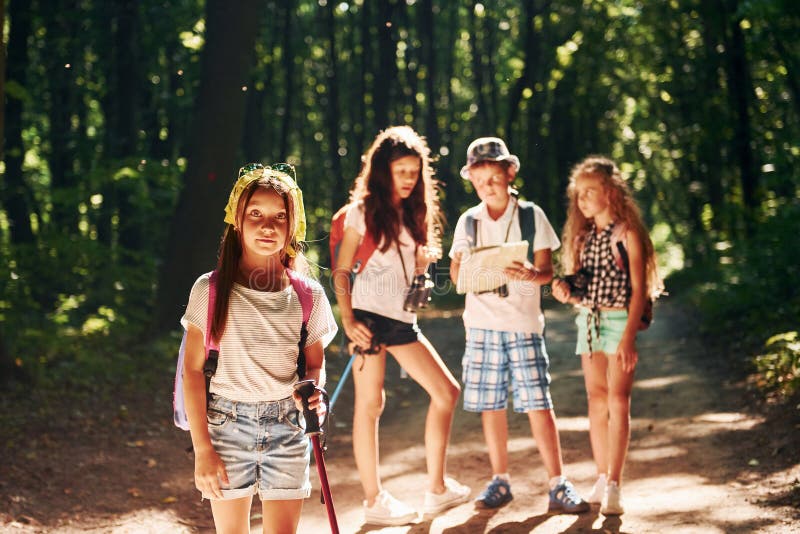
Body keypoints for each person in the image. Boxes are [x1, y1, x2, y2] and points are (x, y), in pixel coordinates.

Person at [181, 163, 338, 533]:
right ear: (237, 220)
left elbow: (314, 365)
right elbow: (191, 371)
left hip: (288, 427)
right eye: (256, 214)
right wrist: (202, 449)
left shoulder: (308, 294)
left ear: (291, 225)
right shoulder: (210, 289)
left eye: (279, 217)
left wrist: (315, 393)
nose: (268, 226)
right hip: (226, 427)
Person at [332, 126, 470, 526]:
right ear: (382, 170)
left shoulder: (414, 214)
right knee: (378, 405)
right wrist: (349, 320)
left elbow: (407, 272)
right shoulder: (362, 210)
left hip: (400, 318)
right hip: (373, 320)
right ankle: (389, 498)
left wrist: (424, 264)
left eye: (414, 171)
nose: (409, 179)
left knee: (436, 395)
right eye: (401, 171)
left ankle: (433, 490)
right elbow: (341, 270)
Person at [449, 137, 589, 513]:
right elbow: (455, 273)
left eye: (492, 177)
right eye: (478, 181)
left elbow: (546, 272)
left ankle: (558, 483)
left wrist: (530, 273)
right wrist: (464, 263)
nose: (485, 186)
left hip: (524, 324)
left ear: (509, 173)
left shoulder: (531, 215)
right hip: (481, 325)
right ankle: (500, 479)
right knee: (491, 405)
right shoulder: (469, 221)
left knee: (538, 403)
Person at [551, 155, 662, 516]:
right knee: (596, 401)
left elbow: (638, 290)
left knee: (618, 401)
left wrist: (629, 337)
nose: (582, 199)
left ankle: (615, 483)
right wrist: (566, 289)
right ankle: (600, 476)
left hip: (619, 324)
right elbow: (583, 282)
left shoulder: (626, 234)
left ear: (611, 193)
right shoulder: (584, 237)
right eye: (578, 193)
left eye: (590, 191)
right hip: (590, 323)